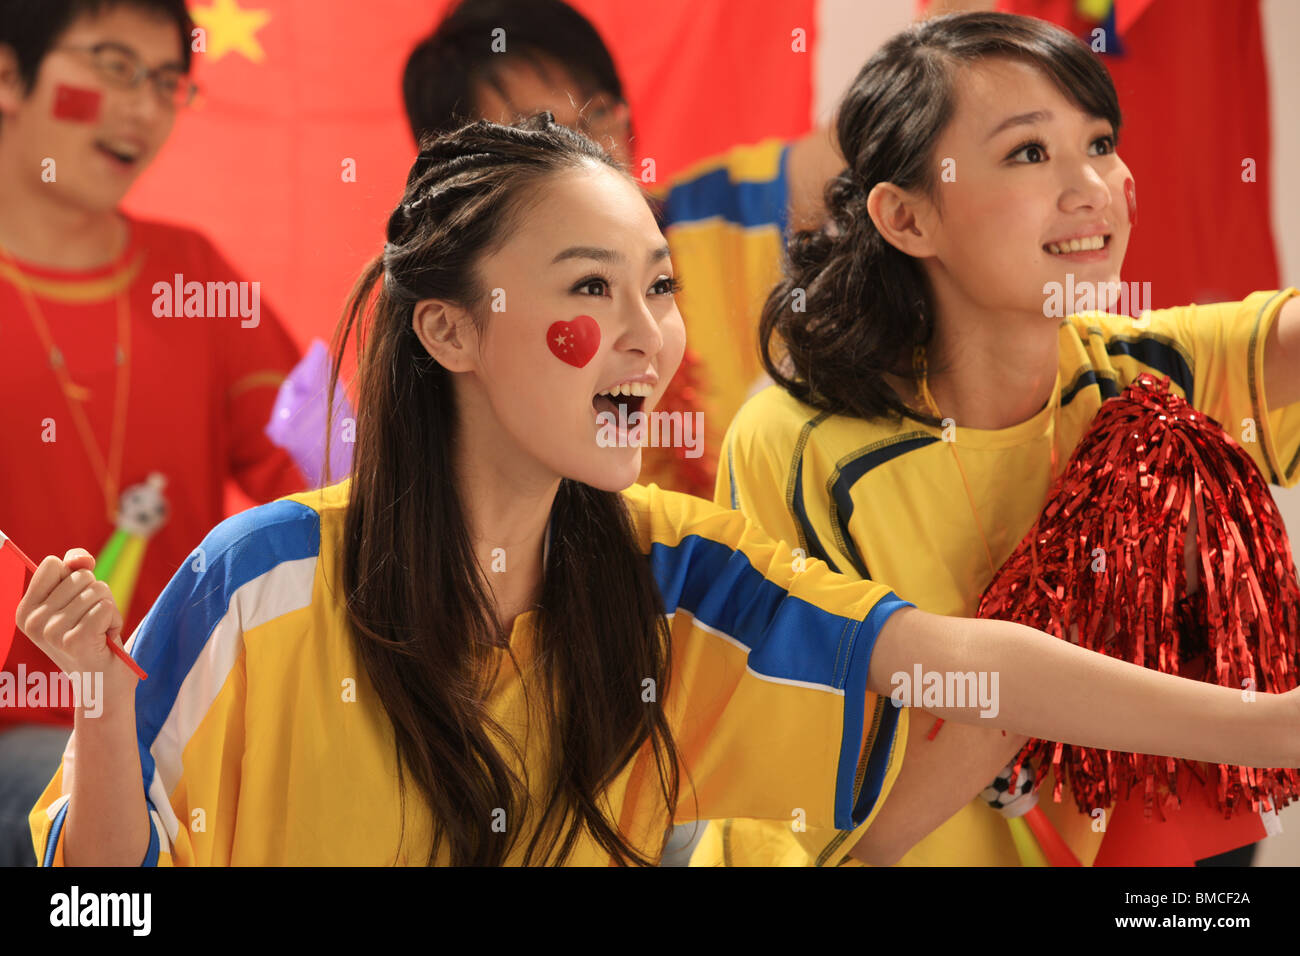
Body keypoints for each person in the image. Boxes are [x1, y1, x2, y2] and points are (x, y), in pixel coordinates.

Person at [19, 113, 1300, 867]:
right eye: (588, 288)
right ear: (450, 333)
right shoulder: (258, 578)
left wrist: (1265, 727)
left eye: (660, 285)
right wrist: (98, 707)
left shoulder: (680, 569)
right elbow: (97, 897)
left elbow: (946, 660)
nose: (649, 335)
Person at [696, 10, 1300, 868]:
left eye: (1100, 143)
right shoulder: (796, 445)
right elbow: (816, 840)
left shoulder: (1148, 373)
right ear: (907, 220)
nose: (1096, 187)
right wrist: (1063, 605)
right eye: (1029, 152)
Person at [0, 0, 305, 866]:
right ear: (9, 75)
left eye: (168, 81)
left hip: (174, 726)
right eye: (111, 65)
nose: (142, 107)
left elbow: (324, 467)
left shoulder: (191, 275)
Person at [401, 0, 845, 497]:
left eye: (598, 115)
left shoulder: (717, 213)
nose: (589, 152)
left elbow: (883, 134)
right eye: (542, 130)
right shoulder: (473, 322)